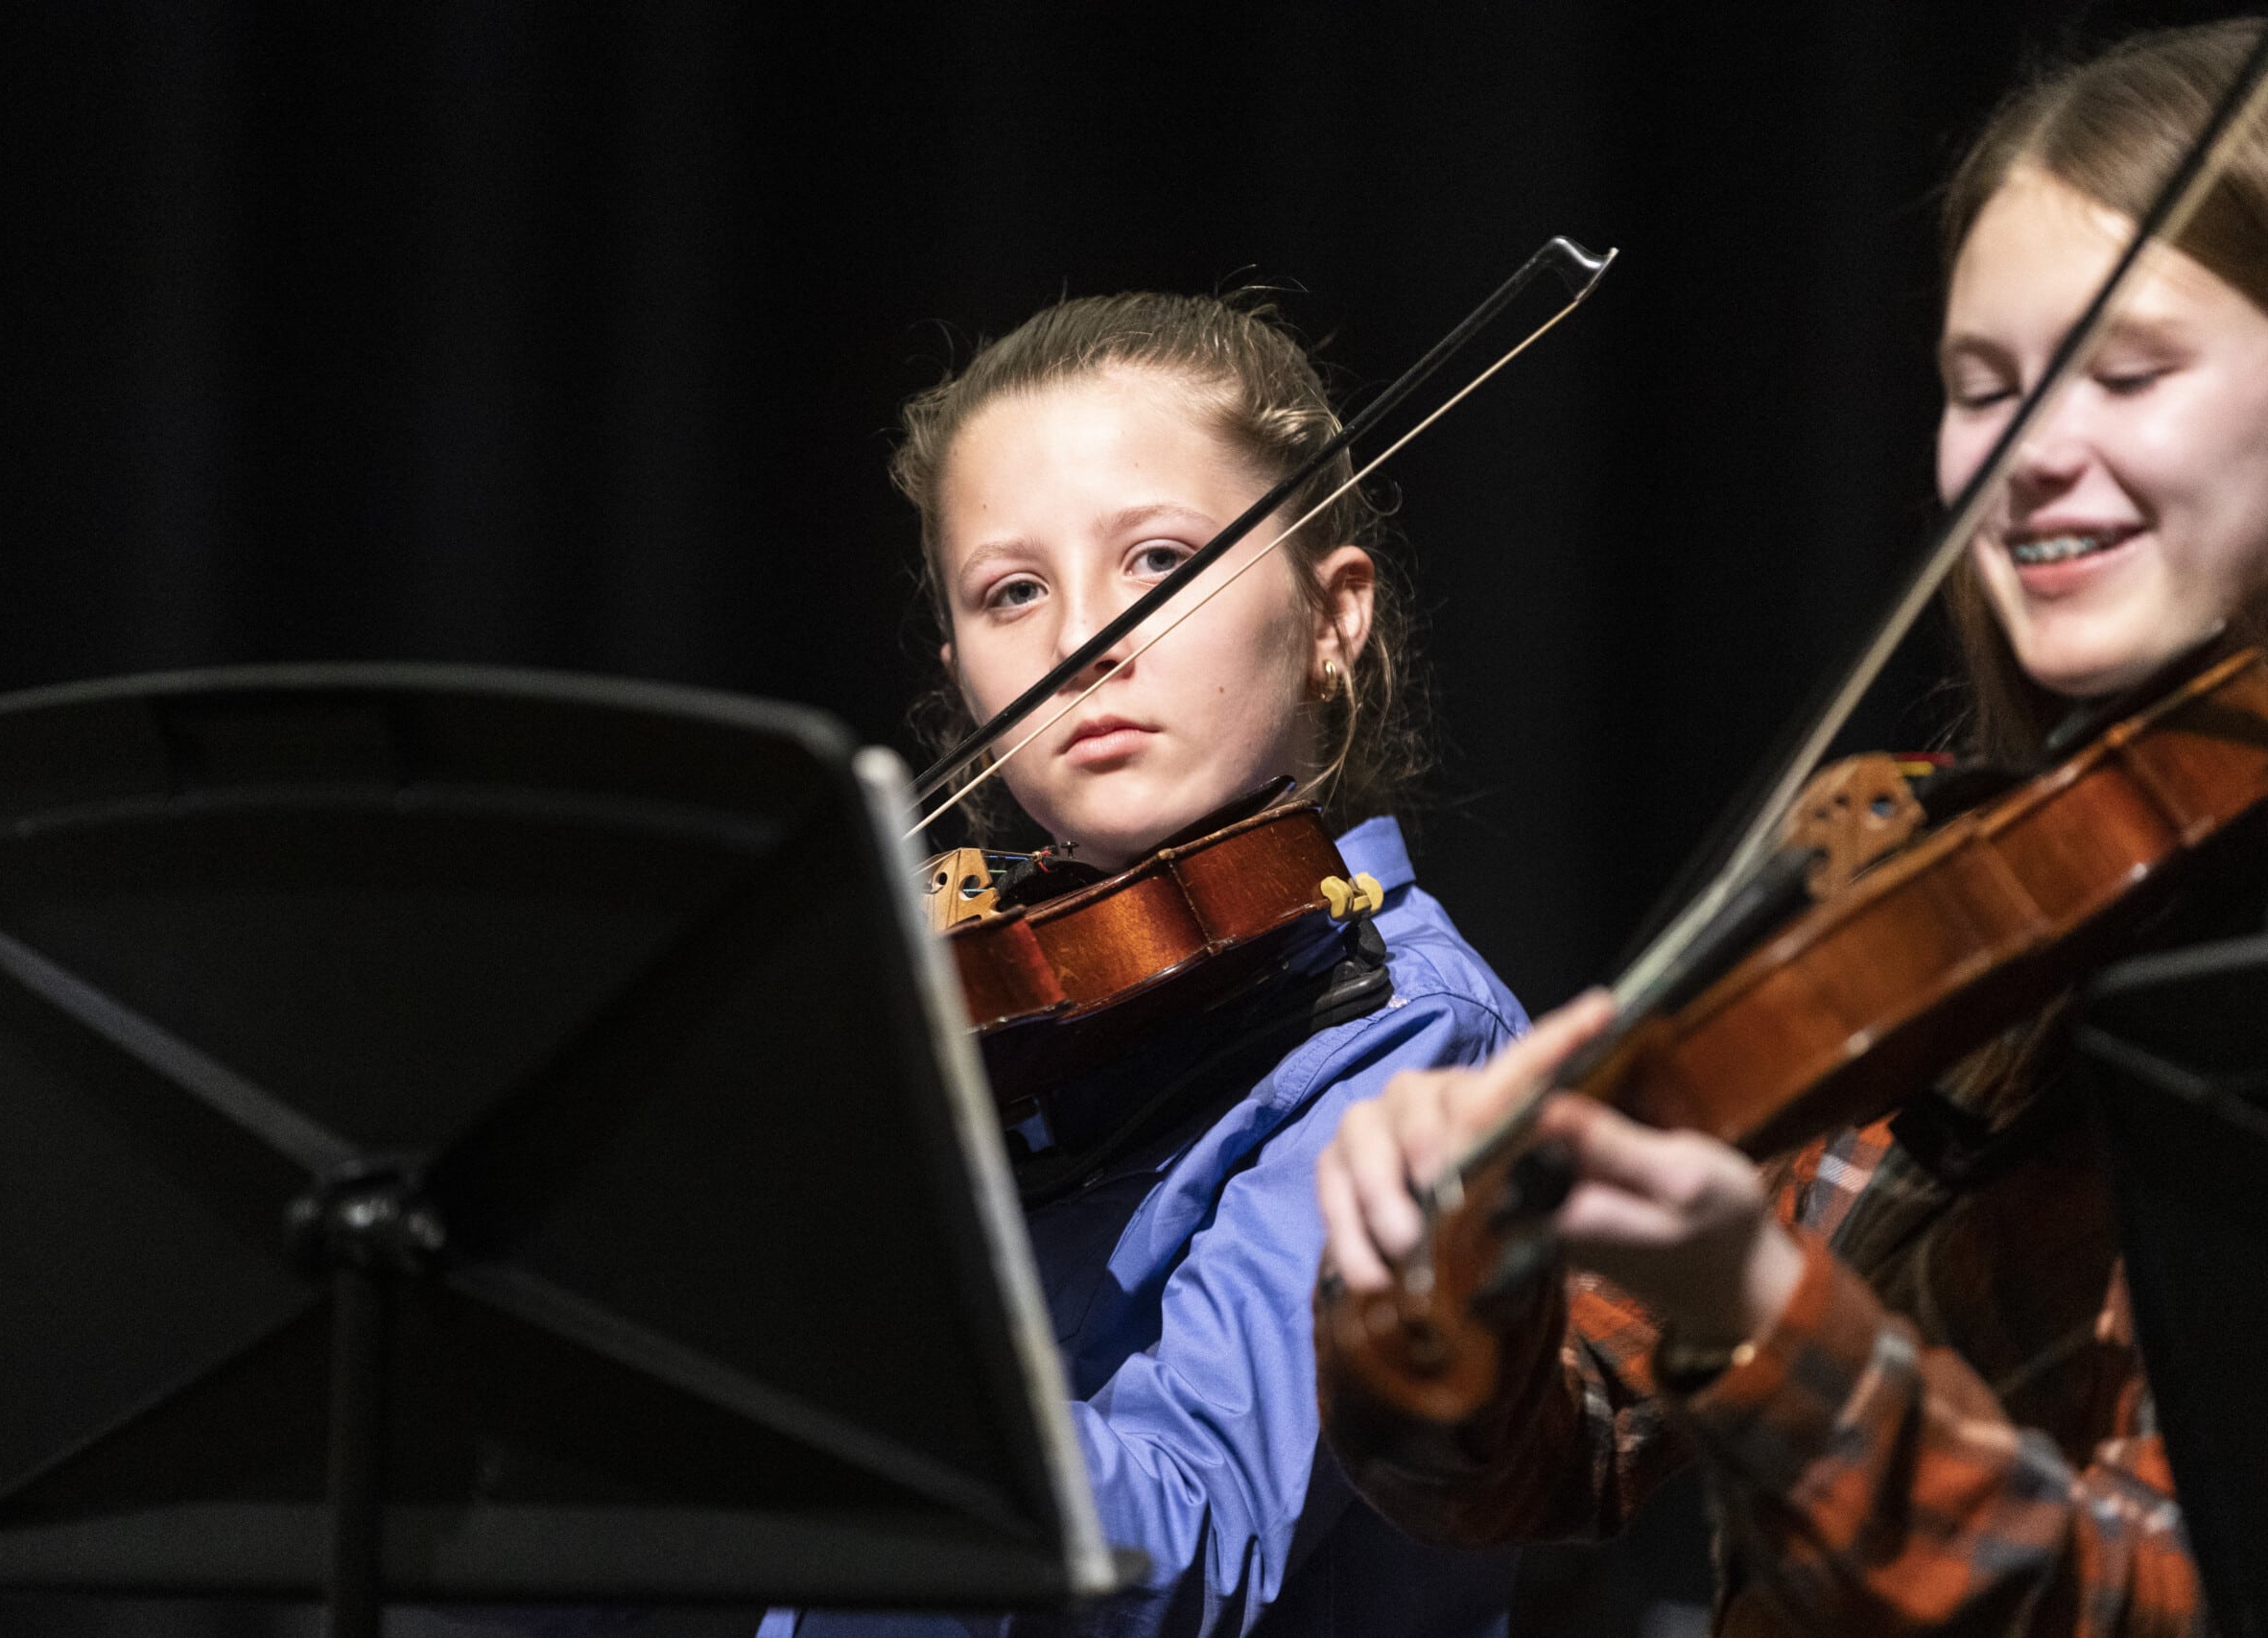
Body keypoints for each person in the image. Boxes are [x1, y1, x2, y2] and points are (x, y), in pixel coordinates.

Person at [1315, 17, 2268, 1635]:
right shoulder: (1942, 897)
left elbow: (2160, 1602)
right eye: (1982, 388)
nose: (2031, 457)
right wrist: (1441, 1271)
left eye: (2128, 372)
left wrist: (1763, 1318)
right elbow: (1523, 1472)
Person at [779, 294, 1525, 1638]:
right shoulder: (978, 1017)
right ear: (961, 678)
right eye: (1014, 591)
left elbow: (1190, 1540)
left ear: (1331, 615)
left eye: (1159, 561)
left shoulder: (1409, 1038)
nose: (1080, 644)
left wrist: (819, 1329)